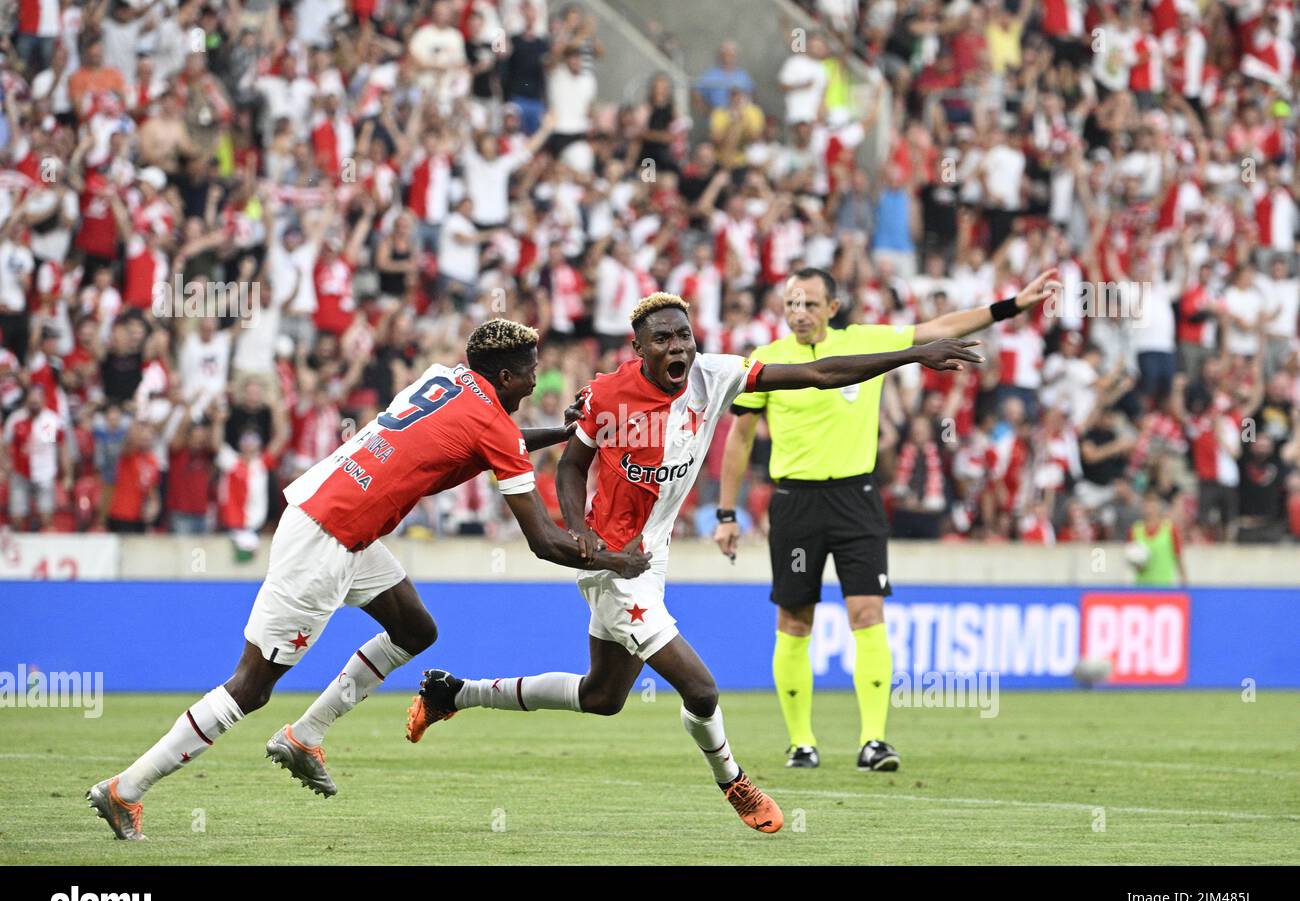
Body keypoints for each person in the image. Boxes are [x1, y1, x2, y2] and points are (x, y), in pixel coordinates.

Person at [404, 292, 982, 833]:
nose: (677, 348)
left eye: (684, 336)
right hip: (612, 564)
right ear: (639, 348)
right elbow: (574, 465)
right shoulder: (608, 396)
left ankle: (454, 693)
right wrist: (580, 534)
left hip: (651, 559)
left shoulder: (715, 375)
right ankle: (734, 783)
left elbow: (818, 374)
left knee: (602, 697)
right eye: (662, 340)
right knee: (702, 689)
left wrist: (910, 356)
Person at [87, 320, 650, 841]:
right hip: (327, 540)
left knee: (414, 629)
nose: (538, 375)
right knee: (251, 686)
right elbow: (544, 541)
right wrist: (614, 561)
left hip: (335, 514)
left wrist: (561, 432)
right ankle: (125, 789)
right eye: (530, 367)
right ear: (505, 376)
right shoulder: (492, 425)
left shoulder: (447, 381)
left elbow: (489, 440)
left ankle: (305, 736)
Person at [713, 266, 1060, 772]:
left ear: (833, 308)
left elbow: (939, 329)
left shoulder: (867, 341)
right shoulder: (766, 360)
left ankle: (874, 741)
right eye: (791, 303)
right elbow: (740, 438)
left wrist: (1009, 307)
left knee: (868, 613)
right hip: (795, 502)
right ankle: (801, 743)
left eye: (809, 303)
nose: (799, 313)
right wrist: (727, 512)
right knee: (793, 620)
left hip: (857, 499)